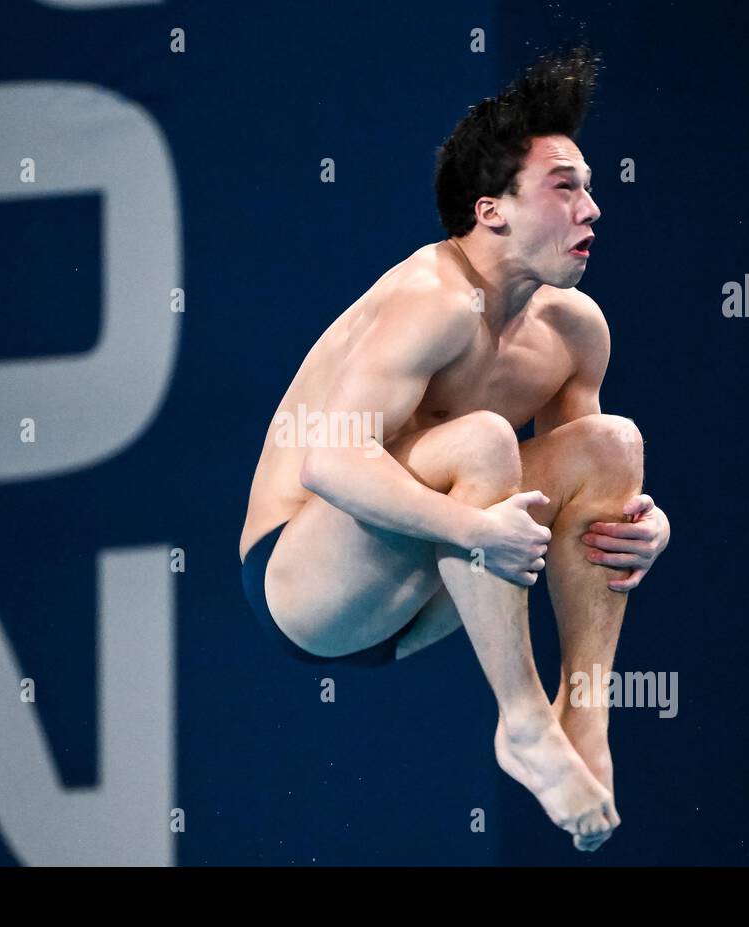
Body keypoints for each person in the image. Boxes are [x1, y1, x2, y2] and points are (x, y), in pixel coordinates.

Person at [239, 46, 670, 851]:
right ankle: (522, 719)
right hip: (305, 586)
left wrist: (641, 526)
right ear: (491, 210)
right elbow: (327, 462)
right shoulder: (430, 300)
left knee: (613, 445)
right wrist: (475, 531)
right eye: (564, 187)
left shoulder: (577, 331)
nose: (593, 210)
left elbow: (584, 500)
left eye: (590, 187)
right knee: (480, 442)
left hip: (434, 590)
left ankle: (584, 714)